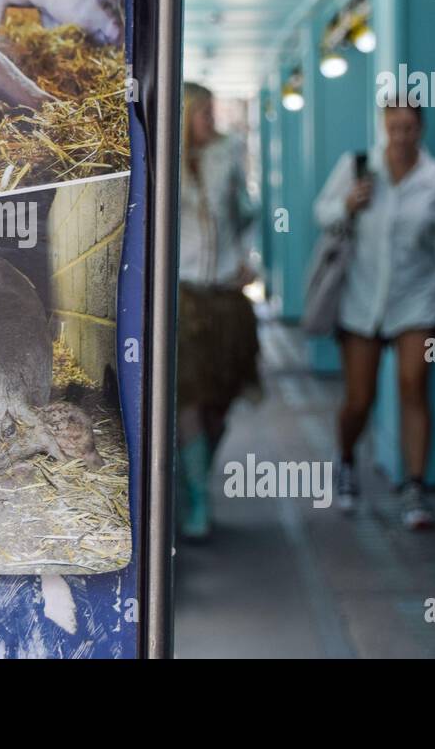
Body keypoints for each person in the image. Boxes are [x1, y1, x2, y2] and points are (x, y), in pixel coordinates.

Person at [313, 94, 435, 530]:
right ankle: (346, 460)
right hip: (361, 302)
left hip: (416, 302)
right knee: (359, 400)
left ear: (421, 128)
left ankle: (415, 489)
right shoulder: (359, 166)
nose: (401, 136)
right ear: (384, 125)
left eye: (409, 128)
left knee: (413, 384)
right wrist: (347, 204)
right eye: (394, 127)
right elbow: (321, 213)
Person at [175, 82, 260, 540]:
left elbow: (247, 213)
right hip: (183, 297)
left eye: (213, 111)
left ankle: (198, 478)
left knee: (220, 403)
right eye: (204, 111)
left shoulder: (229, 152)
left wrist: (248, 258)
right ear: (185, 114)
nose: (212, 120)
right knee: (187, 402)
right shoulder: (169, 157)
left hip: (227, 296)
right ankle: (197, 499)